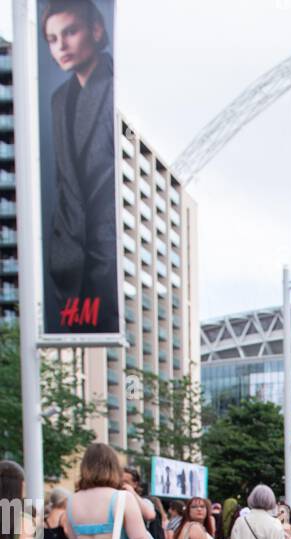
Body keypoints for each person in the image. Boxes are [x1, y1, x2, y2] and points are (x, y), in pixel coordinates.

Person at [41, 1, 118, 336]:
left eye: (70, 31)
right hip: (69, 264)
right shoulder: (59, 99)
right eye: (52, 38)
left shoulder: (120, 86)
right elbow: (63, 180)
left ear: (96, 30)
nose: (62, 46)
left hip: (110, 263)